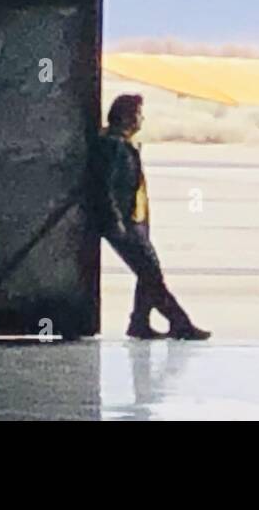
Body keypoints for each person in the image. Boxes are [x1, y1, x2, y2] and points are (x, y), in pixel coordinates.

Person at [90, 94, 210, 340]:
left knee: (148, 272)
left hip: (134, 220)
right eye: (138, 113)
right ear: (125, 117)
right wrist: (115, 222)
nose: (141, 119)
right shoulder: (113, 146)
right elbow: (102, 187)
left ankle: (140, 322)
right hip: (124, 223)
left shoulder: (123, 144)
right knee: (151, 274)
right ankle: (180, 324)